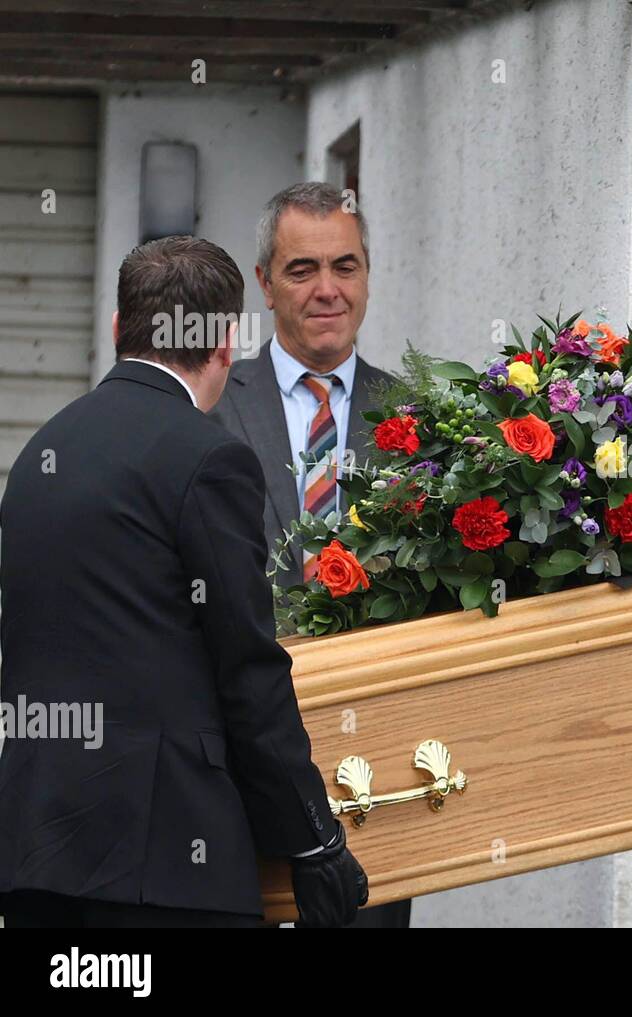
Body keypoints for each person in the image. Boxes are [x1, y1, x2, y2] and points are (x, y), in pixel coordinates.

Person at [0, 235, 367, 927]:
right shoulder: (209, 459)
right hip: (163, 867)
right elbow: (248, 671)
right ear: (225, 343)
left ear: (119, 330)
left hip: (37, 855)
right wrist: (314, 837)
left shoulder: (41, 452)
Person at [210, 182, 410, 929]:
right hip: (241, 774)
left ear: (366, 275)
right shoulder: (213, 406)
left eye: (346, 266)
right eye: (302, 270)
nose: (328, 289)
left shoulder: (422, 418)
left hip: (380, 770)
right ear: (264, 282)